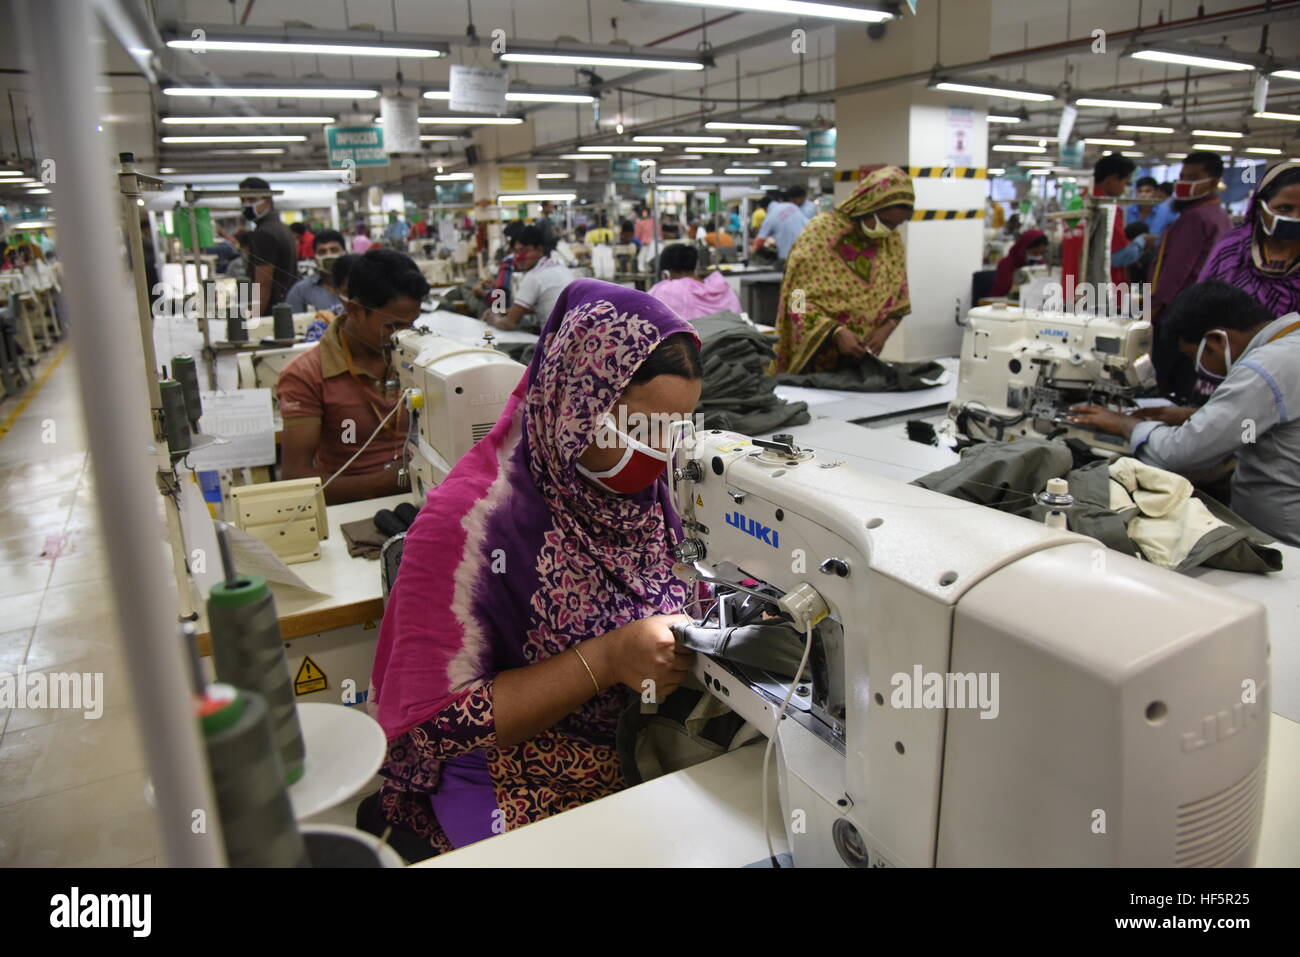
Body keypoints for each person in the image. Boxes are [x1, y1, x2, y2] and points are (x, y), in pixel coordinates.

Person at [362, 279, 702, 858]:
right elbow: (430, 724)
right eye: (642, 428)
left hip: (635, 753)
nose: (659, 451)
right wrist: (607, 659)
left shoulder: (644, 498)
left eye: (676, 429)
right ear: (577, 401)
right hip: (513, 774)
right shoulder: (467, 523)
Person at [1068, 280, 1300, 546]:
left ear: (1214, 340)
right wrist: (1199, 414)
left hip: (1284, 544)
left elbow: (1180, 454)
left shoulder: (1263, 369)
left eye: (1192, 357)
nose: (1195, 367)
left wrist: (1125, 424)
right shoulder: (1290, 344)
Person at [276, 249, 430, 504]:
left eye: (411, 323)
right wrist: (391, 481)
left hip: (425, 497)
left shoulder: (420, 357)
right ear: (354, 310)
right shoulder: (306, 374)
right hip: (352, 509)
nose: (404, 336)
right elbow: (296, 478)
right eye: (392, 326)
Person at [772, 165, 914, 374]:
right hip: (813, 360)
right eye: (885, 222)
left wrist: (887, 329)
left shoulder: (890, 242)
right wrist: (834, 332)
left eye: (897, 224)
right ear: (866, 206)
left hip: (860, 361)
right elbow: (796, 298)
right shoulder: (822, 233)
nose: (890, 229)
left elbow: (899, 298)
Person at [1148, 151, 1234, 398]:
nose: (1184, 183)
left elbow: (1176, 271)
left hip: (1175, 312)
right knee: (1186, 378)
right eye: (1182, 176)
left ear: (1213, 181)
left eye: (1194, 177)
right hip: (1201, 312)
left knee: (1159, 379)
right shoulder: (1219, 216)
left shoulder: (1195, 219)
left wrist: (1154, 308)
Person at [1198, 161, 1300, 324]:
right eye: (1284, 208)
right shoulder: (1231, 250)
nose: (1295, 218)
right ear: (1260, 207)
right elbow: (1199, 306)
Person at [1061, 155, 1148, 294]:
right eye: (1125, 183)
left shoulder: (1075, 204)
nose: (1125, 189)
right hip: (1100, 293)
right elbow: (1118, 257)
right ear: (1111, 180)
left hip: (1071, 287)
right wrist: (1142, 241)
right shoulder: (1106, 208)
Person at [484, 225, 574, 333]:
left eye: (523, 251)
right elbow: (549, 306)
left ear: (540, 249)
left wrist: (492, 318)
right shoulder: (560, 267)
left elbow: (509, 324)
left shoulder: (535, 276)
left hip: (555, 343)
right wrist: (508, 311)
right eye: (516, 252)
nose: (518, 257)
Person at [238, 175, 299, 316]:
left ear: (268, 199)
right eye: (242, 200)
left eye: (251, 199)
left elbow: (263, 284)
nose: (246, 204)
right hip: (285, 309)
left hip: (272, 313)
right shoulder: (282, 227)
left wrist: (253, 320)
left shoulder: (264, 234)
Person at [647, 243, 742, 319]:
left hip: (699, 342)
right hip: (734, 341)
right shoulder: (723, 288)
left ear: (666, 272)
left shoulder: (668, 289)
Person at [285, 229, 347, 313]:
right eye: (322, 252)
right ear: (315, 259)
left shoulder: (360, 286)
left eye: (334, 250)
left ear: (345, 253)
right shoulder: (300, 291)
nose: (328, 255)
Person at [757, 187, 814, 263]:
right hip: (806, 249)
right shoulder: (792, 206)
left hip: (791, 254)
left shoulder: (807, 209)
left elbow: (759, 241)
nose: (793, 201)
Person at [990, 229, 1048, 298]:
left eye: (1041, 253)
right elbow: (1005, 290)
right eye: (1035, 253)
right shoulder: (1006, 264)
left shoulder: (1041, 264)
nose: (1038, 256)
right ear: (1023, 248)